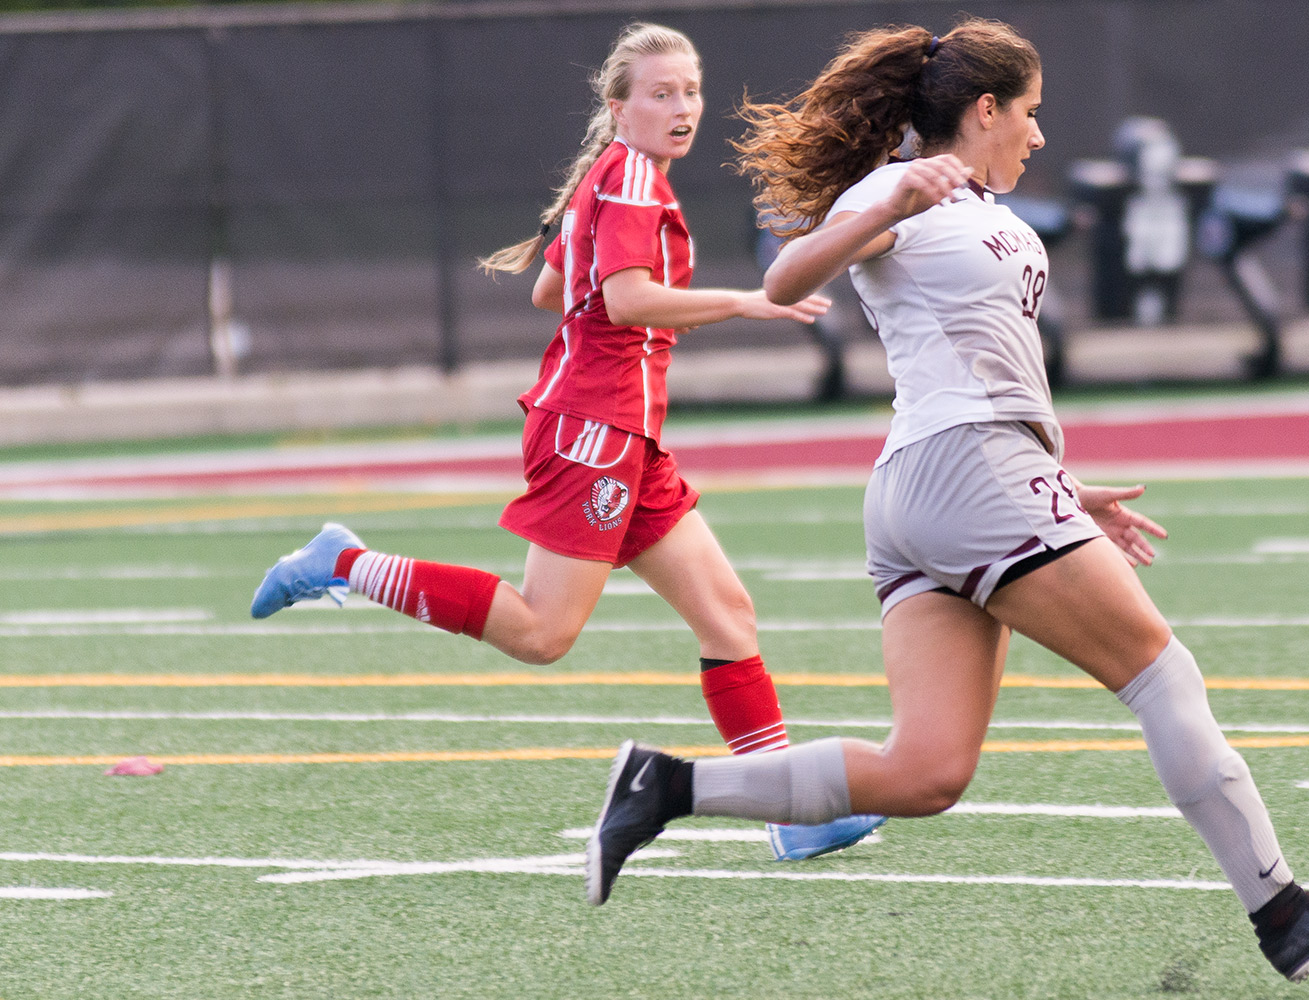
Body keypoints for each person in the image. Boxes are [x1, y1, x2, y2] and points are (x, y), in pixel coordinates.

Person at [583, 17, 1309, 982]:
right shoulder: (907, 185)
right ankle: (1283, 912)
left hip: (943, 486)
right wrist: (886, 199)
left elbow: (985, 365)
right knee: (1158, 673)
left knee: (925, 773)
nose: (1039, 133)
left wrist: (1056, 487)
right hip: (963, 474)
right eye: (1029, 112)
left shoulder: (970, 199)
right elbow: (786, 276)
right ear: (983, 111)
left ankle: (664, 787)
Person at [246, 22, 884, 863]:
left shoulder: (619, 176)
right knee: (543, 633)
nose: (682, 106)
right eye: (661, 93)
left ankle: (789, 814)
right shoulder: (628, 183)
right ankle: (343, 564)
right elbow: (622, 302)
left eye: (690, 90)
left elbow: (555, 289)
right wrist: (742, 301)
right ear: (620, 108)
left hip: (625, 434)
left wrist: (630, 316)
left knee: (727, 613)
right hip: (593, 432)